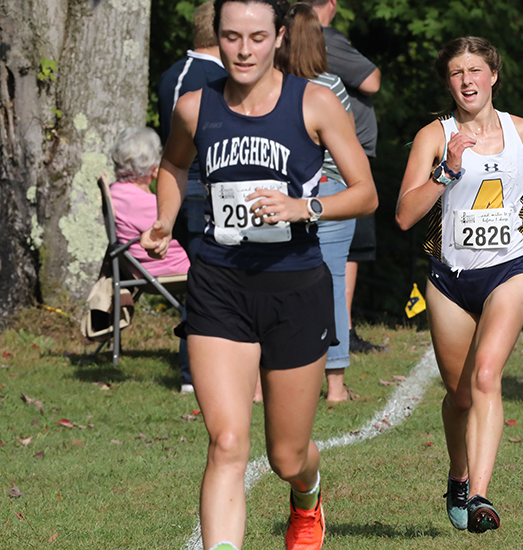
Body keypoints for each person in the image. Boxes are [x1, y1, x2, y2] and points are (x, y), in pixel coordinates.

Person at [140, 0, 377, 548]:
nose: (243, 50)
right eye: (230, 37)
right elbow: (175, 164)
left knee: (286, 455)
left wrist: (305, 208)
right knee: (226, 442)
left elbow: (366, 192)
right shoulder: (197, 107)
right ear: (216, 38)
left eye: (256, 37)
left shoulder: (314, 101)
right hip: (219, 286)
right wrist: (164, 218)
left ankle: (308, 494)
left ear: (278, 37)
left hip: (295, 287)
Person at [395, 36, 523, 534]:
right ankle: (458, 477)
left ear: (493, 76)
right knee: (459, 397)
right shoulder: (434, 137)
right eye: (457, 72)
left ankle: (480, 494)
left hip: (509, 270)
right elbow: (403, 216)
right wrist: (447, 171)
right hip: (448, 280)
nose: (466, 80)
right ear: (449, 82)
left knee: (486, 377)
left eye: (475, 70)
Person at [274, 2, 359, 403]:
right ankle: (336, 386)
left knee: (272, 281)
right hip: (335, 193)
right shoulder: (332, 87)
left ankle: (262, 382)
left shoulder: (273, 88)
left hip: (286, 195)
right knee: (334, 284)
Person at [298, 0, 383, 353]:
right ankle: (336, 365)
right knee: (335, 273)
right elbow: (372, 81)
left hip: (301, 190)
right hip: (337, 184)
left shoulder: (278, 86)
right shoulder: (329, 75)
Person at [157, 0, 227, 394]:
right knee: (206, 281)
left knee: (199, 279)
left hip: (186, 193)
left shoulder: (173, 74)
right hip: (203, 192)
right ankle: (192, 372)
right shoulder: (213, 80)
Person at [109, 126, 191, 278]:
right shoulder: (140, 202)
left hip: (144, 266)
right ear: (153, 165)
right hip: (166, 266)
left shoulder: (116, 190)